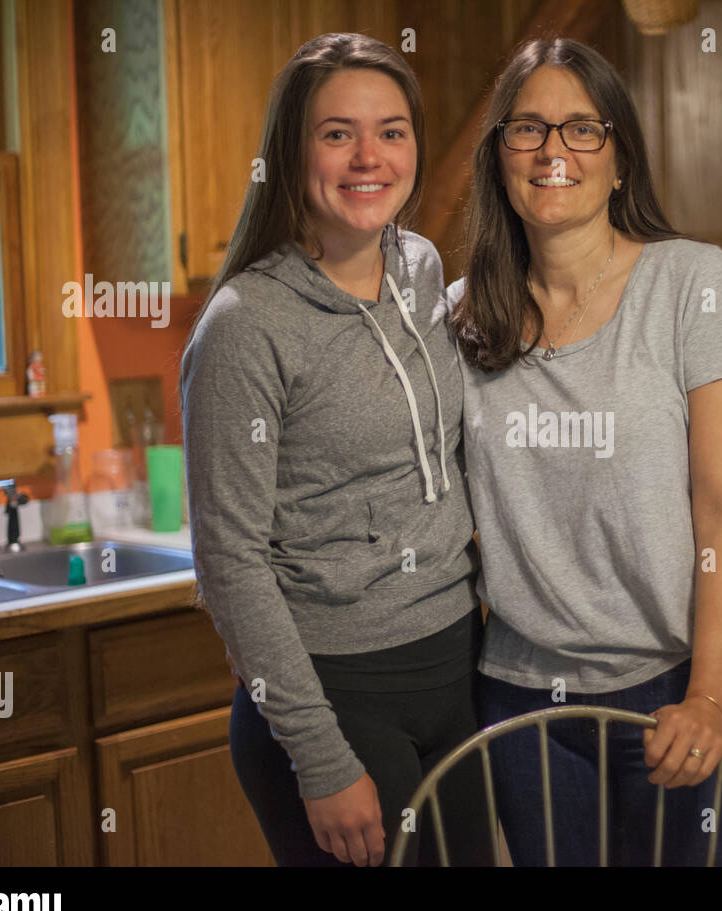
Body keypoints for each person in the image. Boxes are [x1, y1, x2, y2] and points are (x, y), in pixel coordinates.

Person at [448, 38, 722, 866]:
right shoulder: (459, 317)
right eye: (527, 130)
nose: (553, 151)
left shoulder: (692, 285)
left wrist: (708, 695)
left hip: (683, 685)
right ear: (500, 158)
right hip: (524, 706)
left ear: (620, 157)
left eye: (581, 129)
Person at [179, 33, 491, 867]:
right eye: (336, 133)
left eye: (391, 131)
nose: (368, 157)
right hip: (337, 692)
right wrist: (319, 756)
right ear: (292, 150)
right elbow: (229, 561)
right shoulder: (247, 326)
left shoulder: (419, 268)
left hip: (454, 665)